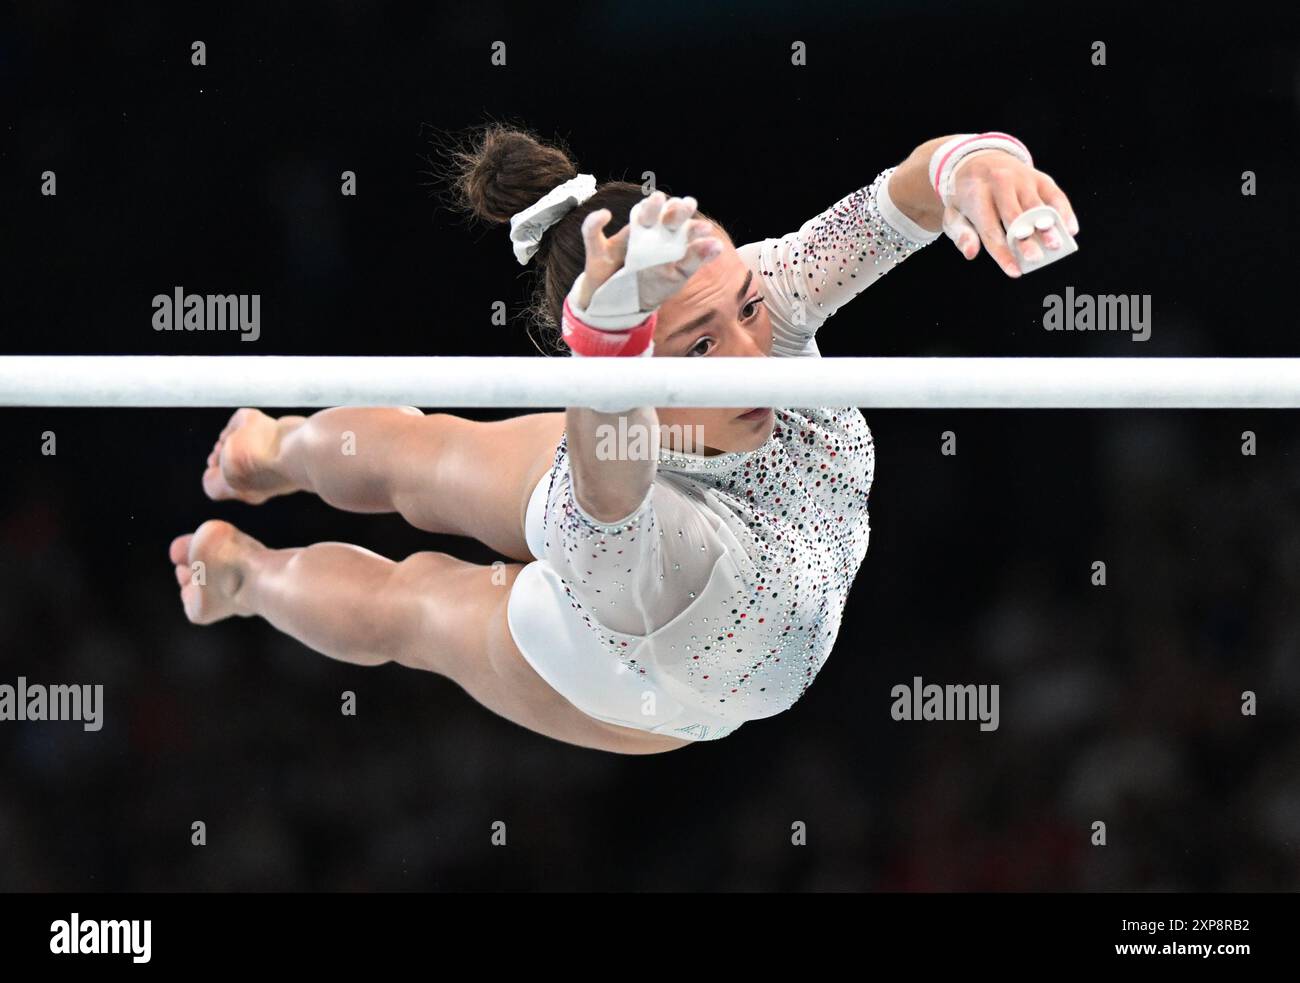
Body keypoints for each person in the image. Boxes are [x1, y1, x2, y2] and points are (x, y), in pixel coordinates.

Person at [169, 125, 1078, 753]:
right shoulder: (630, 523)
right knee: (413, 578)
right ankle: (257, 536)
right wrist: (606, 350)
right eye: (700, 348)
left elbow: (898, 202)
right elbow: (611, 484)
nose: (754, 360)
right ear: (626, 364)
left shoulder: (758, 290)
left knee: (433, 465)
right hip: (614, 634)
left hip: (657, 622)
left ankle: (262, 499)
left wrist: (971, 163)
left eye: (748, 311)